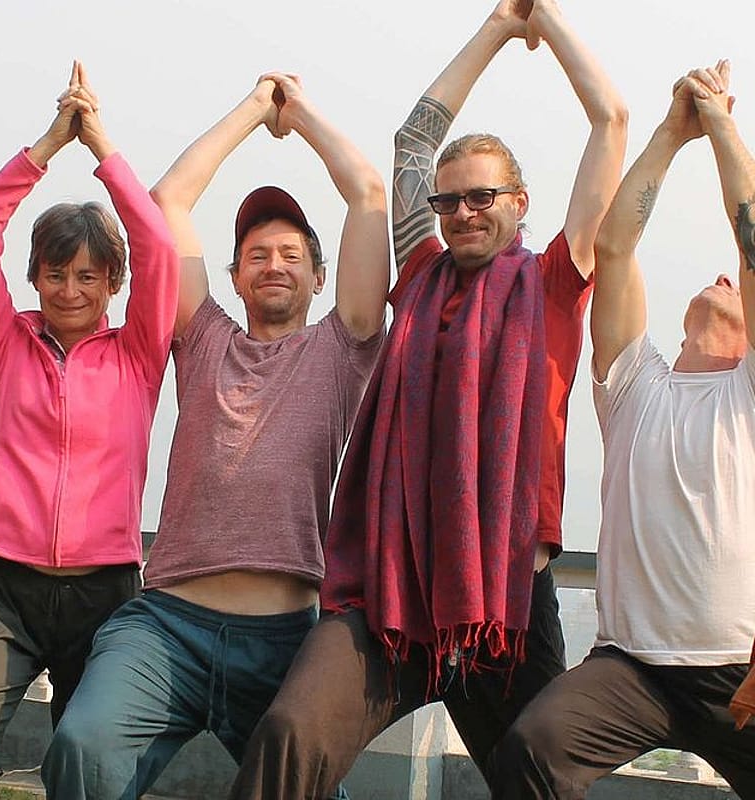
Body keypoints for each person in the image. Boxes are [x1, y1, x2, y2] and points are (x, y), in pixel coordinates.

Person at [231, 1, 627, 796]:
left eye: (483, 197)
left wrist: (539, 19)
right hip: (389, 592)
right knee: (289, 734)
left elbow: (611, 119)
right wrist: (491, 28)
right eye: (448, 202)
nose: (462, 213)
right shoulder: (417, 277)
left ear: (519, 203)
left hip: (504, 603)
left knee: (538, 776)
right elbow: (412, 140)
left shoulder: (552, 282)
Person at [41, 73, 388, 799]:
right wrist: (253, 110)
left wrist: (302, 113)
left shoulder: (341, 347)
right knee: (81, 744)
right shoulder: (202, 338)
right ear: (232, 275)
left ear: (320, 278)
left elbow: (369, 195)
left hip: (286, 640)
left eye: (292, 256)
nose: (274, 265)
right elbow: (170, 199)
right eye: (257, 254)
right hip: (168, 626)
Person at [0, 62, 179, 799]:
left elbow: (156, 242)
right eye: (56, 274)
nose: (70, 291)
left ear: (112, 285)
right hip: (7, 589)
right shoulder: (4, 342)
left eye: (89, 277)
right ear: (35, 277)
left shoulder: (139, 353)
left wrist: (102, 149)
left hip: (108, 591)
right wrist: (48, 144)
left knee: (82, 758)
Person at [490, 60, 755, 799]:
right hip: (628, 667)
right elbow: (613, 249)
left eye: (736, 280)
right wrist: (674, 130)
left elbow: (753, 238)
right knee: (529, 752)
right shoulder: (636, 383)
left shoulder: (751, 391)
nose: (725, 278)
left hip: (739, 669)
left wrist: (723, 121)